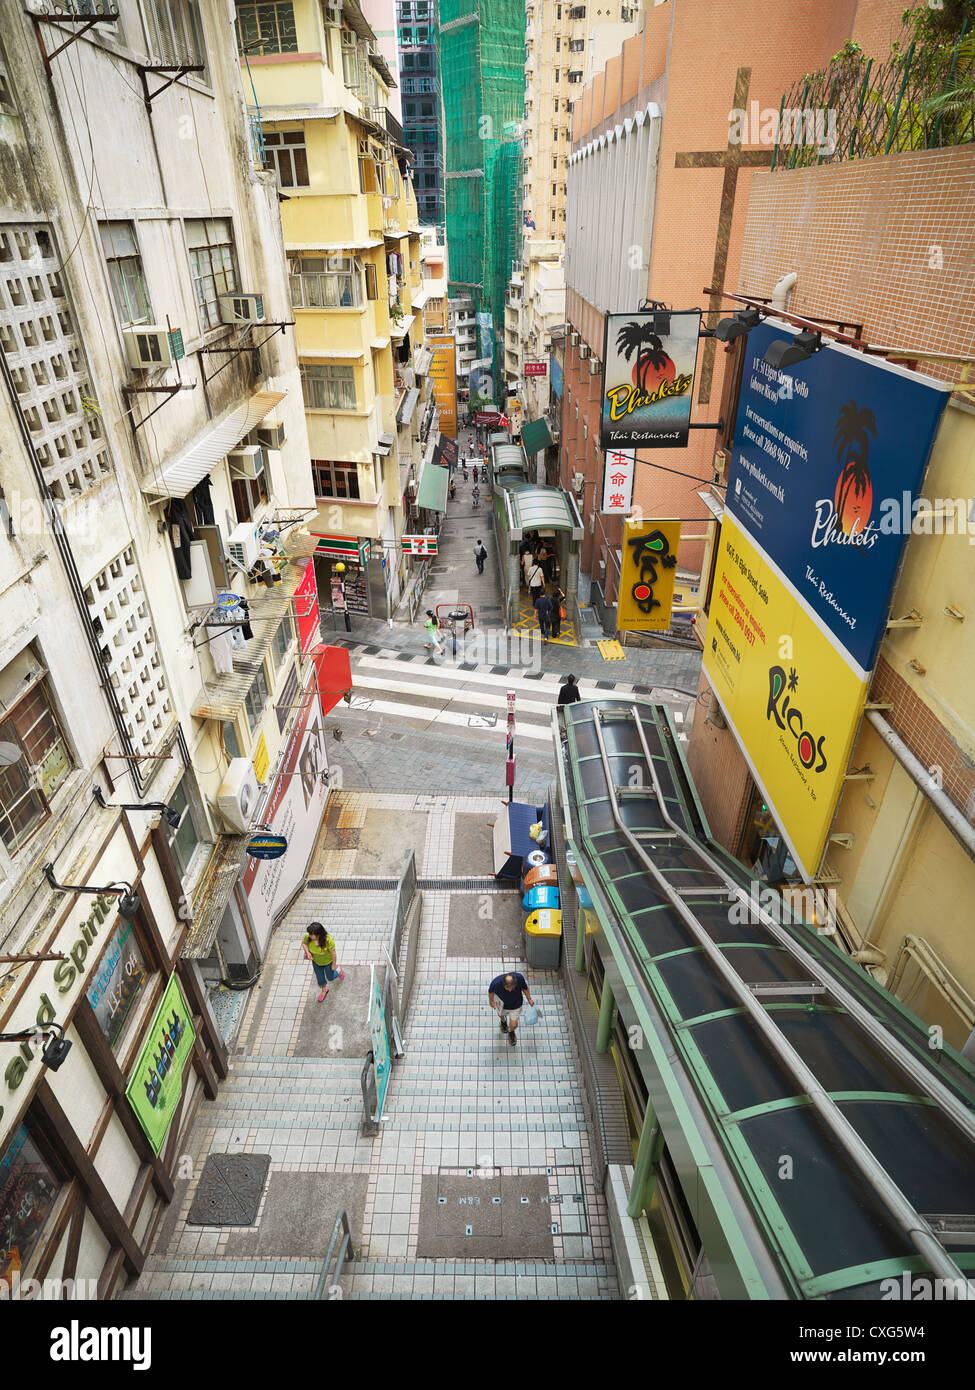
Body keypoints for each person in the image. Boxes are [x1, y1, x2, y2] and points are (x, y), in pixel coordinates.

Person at [488, 970, 535, 1047]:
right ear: (504, 984)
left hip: (516, 1005)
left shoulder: (519, 978)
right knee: (501, 1015)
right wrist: (491, 1002)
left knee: (514, 1024)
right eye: (507, 988)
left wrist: (529, 999)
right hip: (501, 1005)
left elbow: (524, 988)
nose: (510, 990)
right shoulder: (495, 983)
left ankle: (511, 1031)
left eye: (512, 988)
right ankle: (503, 1022)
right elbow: (491, 992)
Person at [302, 922, 344, 1002]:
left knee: (330, 977)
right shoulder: (308, 936)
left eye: (312, 934)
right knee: (320, 979)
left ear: (318, 934)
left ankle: (338, 970)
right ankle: (324, 990)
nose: (309, 935)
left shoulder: (328, 940)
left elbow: (333, 953)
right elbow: (304, 944)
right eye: (309, 934)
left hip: (328, 962)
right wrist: (307, 952)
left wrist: (334, 965)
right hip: (316, 962)